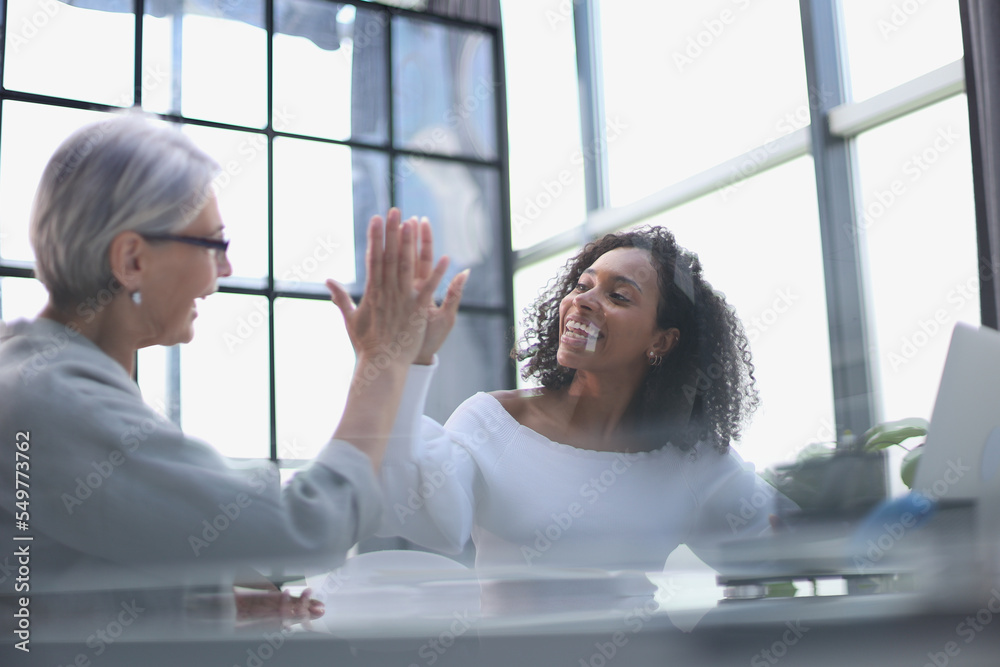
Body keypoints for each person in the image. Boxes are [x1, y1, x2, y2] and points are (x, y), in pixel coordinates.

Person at [0, 112, 466, 641]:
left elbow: (56, 579)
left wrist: (200, 609)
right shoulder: (56, 401)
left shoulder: (39, 378)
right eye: (214, 245)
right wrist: (384, 360)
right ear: (131, 260)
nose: (224, 269)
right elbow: (306, 530)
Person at [376, 225, 789, 611]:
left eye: (619, 296)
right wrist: (403, 365)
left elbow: (789, 546)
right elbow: (427, 514)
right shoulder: (492, 422)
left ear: (662, 341)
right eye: (582, 285)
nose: (583, 301)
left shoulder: (688, 453)